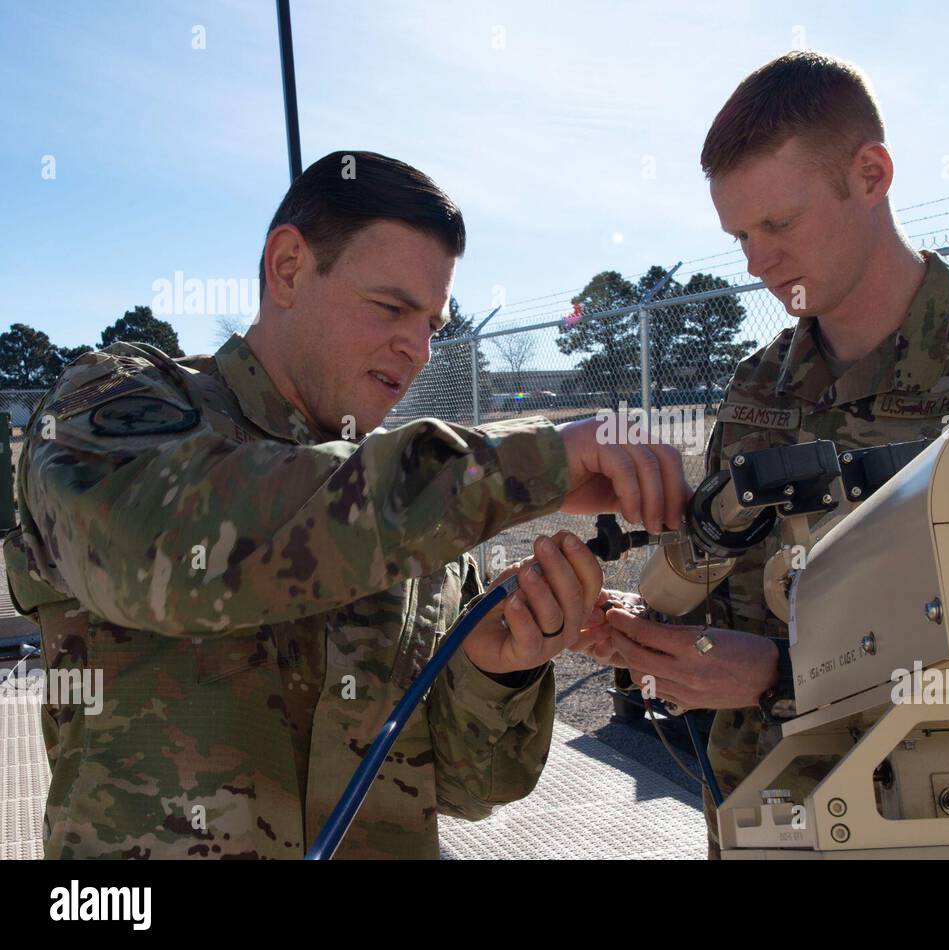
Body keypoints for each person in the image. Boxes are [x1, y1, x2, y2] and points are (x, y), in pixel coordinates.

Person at [3, 150, 688, 859]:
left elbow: (469, 788)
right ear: (288, 269)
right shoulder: (119, 409)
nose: (419, 350)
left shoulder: (423, 501)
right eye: (391, 308)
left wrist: (498, 666)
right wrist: (535, 460)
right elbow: (168, 552)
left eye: (433, 325)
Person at [577, 52, 949, 857]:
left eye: (780, 225)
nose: (757, 262)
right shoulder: (759, 385)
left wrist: (786, 677)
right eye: (740, 235)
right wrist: (639, 630)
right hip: (762, 816)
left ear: (871, 175)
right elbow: (732, 602)